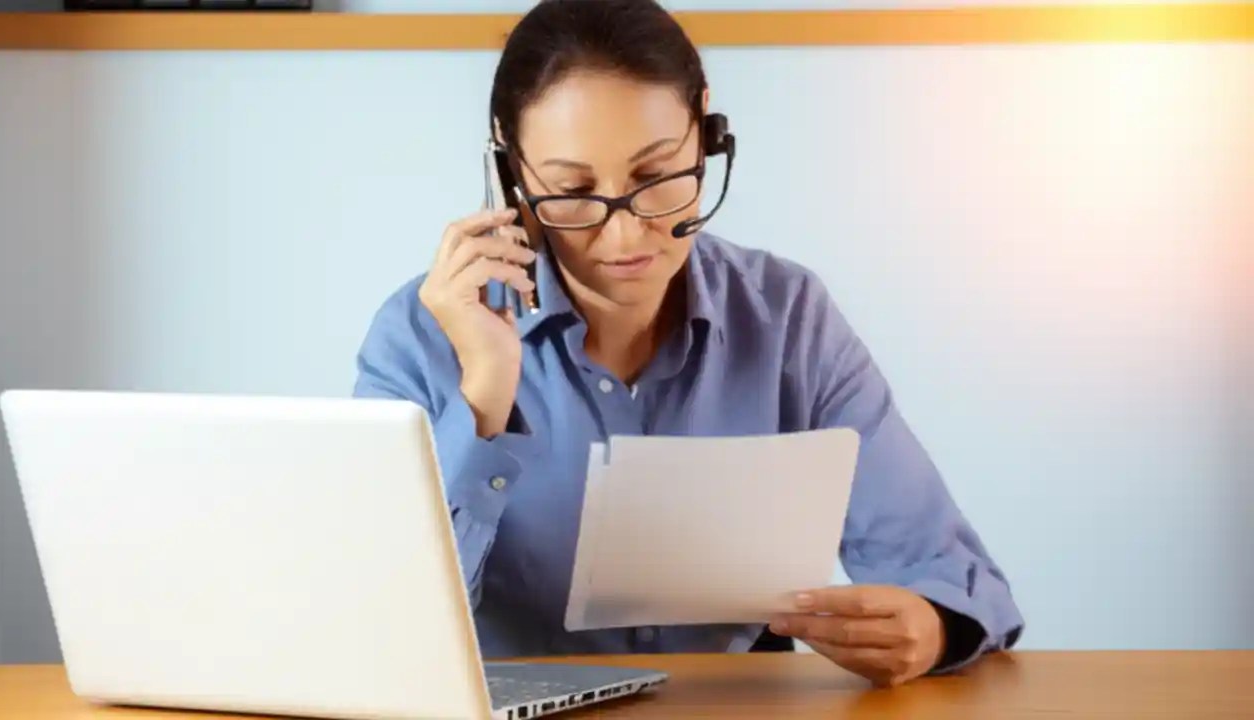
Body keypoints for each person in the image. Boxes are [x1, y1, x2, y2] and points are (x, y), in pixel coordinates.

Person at [353, 0, 1023, 687]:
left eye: (655, 178)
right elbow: (373, 628)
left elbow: (955, 580)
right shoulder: (420, 336)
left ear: (705, 131)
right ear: (510, 170)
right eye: (572, 190)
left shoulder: (788, 318)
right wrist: (483, 401)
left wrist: (932, 627)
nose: (624, 236)